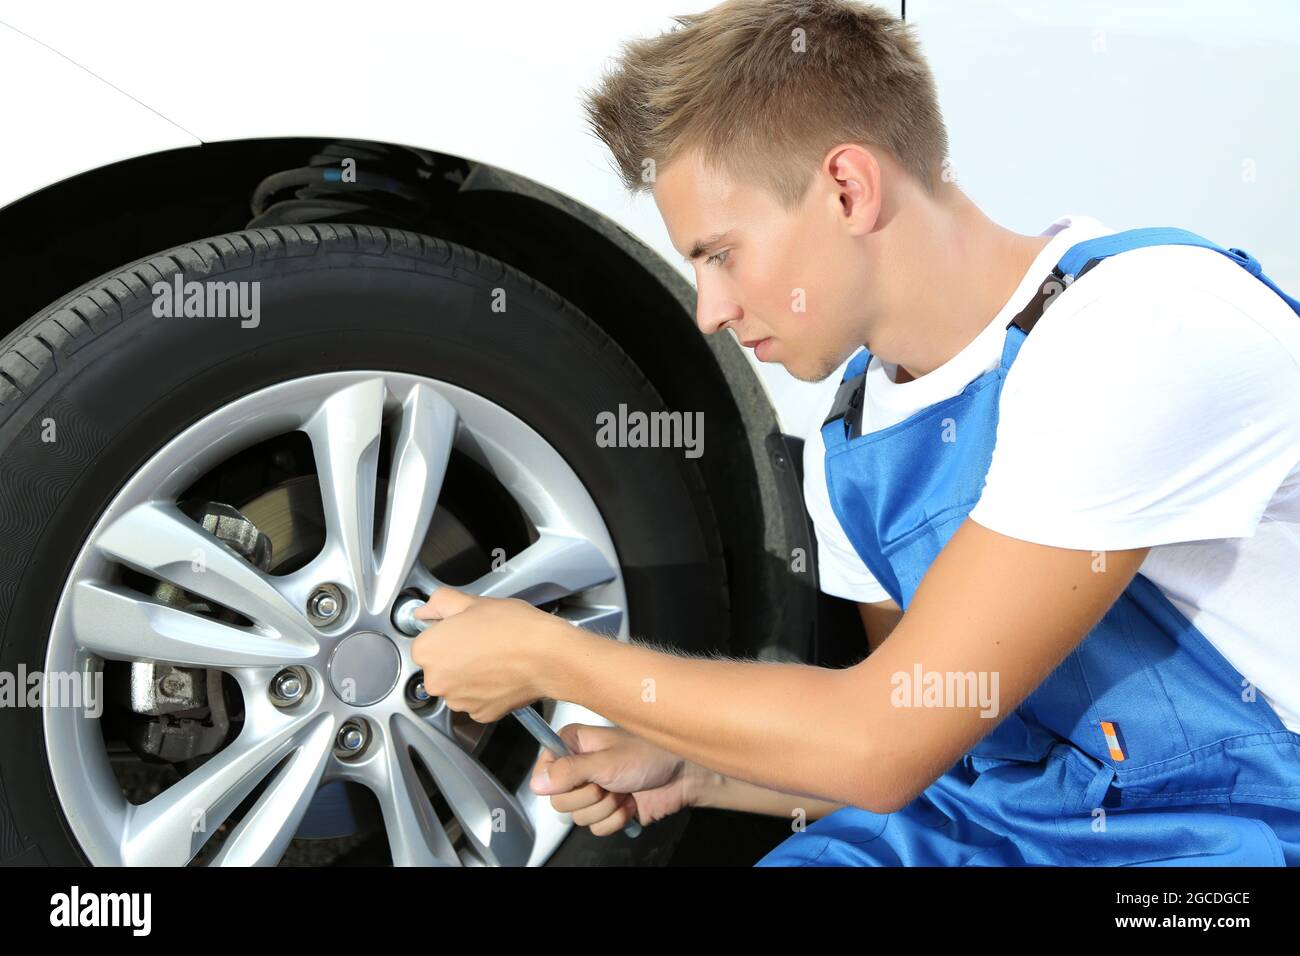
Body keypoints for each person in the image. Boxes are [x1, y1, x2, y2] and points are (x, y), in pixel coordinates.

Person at [411, 0, 1300, 865]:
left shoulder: (1137, 329)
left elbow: (881, 742)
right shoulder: (857, 441)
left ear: (847, 187)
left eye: (720, 253)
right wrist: (698, 767)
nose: (710, 312)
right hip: (1009, 826)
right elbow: (935, 751)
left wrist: (552, 657)